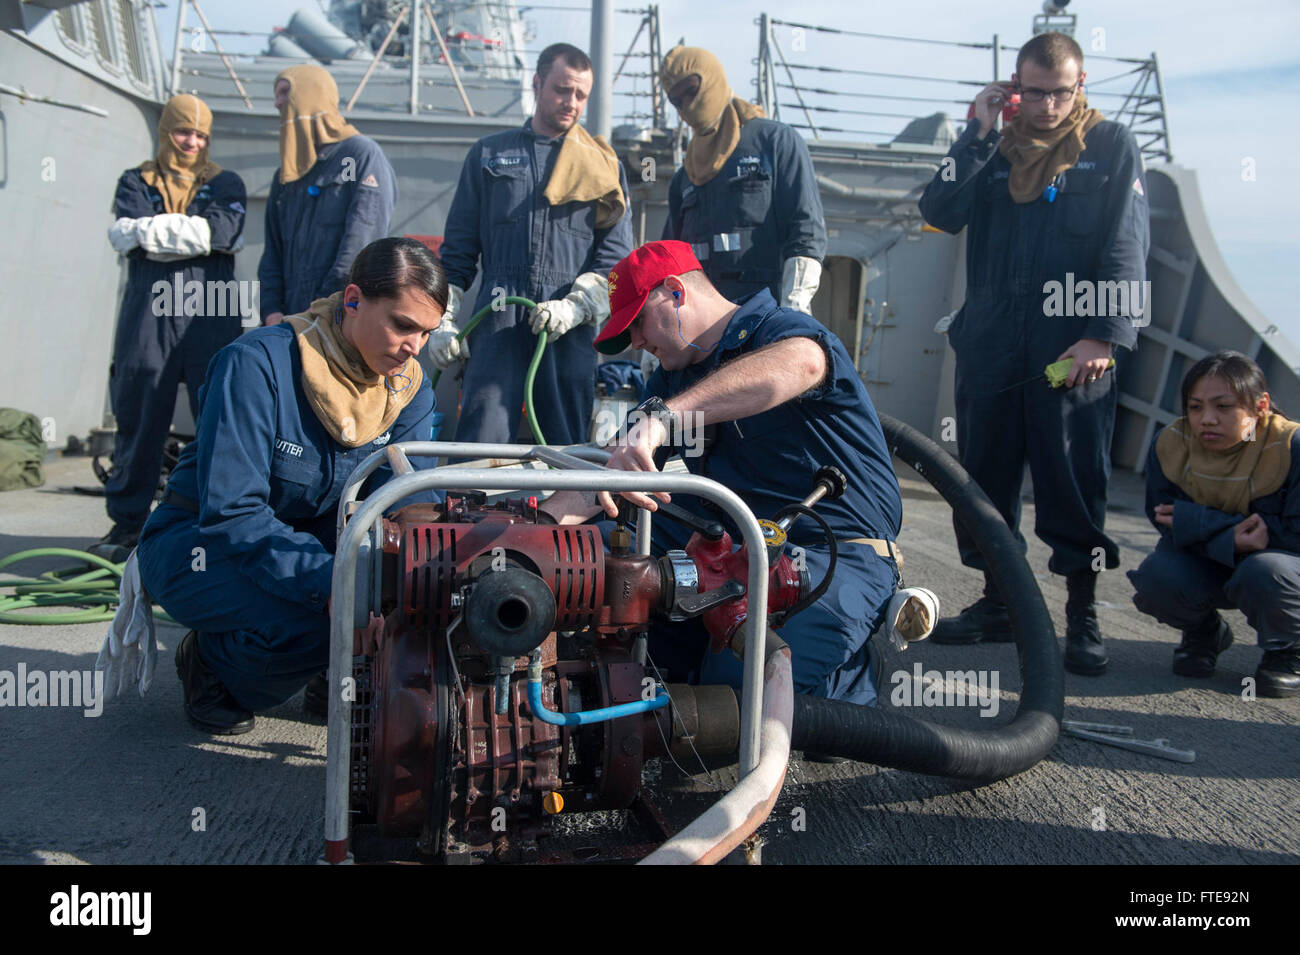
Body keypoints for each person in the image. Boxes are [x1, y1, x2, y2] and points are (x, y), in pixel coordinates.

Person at [548, 241, 903, 706]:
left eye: (637, 323)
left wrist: (664, 418)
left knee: (734, 693)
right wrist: (536, 526)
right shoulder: (673, 379)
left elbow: (803, 362)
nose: (634, 342)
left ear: (675, 292)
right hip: (733, 549)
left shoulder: (779, 332)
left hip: (831, 552)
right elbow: (618, 464)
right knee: (589, 556)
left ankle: (850, 677)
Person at [136, 238, 447, 734]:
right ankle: (213, 666)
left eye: (428, 332)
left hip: (309, 543)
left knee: (401, 590)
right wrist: (333, 584)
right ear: (352, 301)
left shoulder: (407, 387)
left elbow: (411, 498)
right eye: (403, 325)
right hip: (201, 546)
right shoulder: (258, 365)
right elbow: (233, 515)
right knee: (330, 615)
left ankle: (336, 666)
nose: (415, 347)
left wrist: (430, 570)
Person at [918, 32, 1149, 675]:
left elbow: (1127, 246)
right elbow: (938, 207)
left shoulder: (1109, 147)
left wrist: (1103, 334)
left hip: (1070, 348)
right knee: (984, 482)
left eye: (1060, 92)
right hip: (992, 343)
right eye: (1034, 92)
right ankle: (999, 603)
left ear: (1082, 85)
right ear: (1014, 88)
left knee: (1072, 482)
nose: (1048, 106)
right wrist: (976, 131)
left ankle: (1083, 611)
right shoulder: (994, 149)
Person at [431, 43, 633, 446]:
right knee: (480, 439)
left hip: (568, 327)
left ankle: (563, 512)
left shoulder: (603, 167)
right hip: (497, 316)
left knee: (567, 445)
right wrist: (442, 320)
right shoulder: (488, 154)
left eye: (580, 95)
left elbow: (615, 259)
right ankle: (472, 509)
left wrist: (576, 307)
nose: (571, 103)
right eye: (561, 89)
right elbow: (457, 252)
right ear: (537, 83)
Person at [91, 94, 248, 563]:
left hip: (211, 312)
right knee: (138, 417)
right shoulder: (134, 180)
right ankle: (127, 526)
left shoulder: (227, 182)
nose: (191, 142)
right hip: (148, 315)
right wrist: (185, 233)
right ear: (166, 132)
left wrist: (146, 232)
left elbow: (220, 235)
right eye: (183, 132)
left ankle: (213, 525)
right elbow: (125, 233)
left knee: (219, 421)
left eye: (200, 135)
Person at [1128, 352, 1300, 697]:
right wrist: (1229, 537)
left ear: (1260, 405)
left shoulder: (1291, 447)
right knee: (1156, 579)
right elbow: (1163, 517)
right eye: (1195, 407)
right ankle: (1205, 632)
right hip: (1211, 558)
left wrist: (1198, 524)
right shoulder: (1171, 445)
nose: (1207, 419)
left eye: (1224, 407)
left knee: (1267, 572)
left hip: (1277, 564)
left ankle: (1287, 650)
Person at [658, 45, 826, 312]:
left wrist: (793, 312)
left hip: (765, 318)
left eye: (691, 90)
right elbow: (670, 259)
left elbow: (806, 231)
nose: (687, 105)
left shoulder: (776, 142)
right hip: (703, 328)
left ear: (712, 79)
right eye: (676, 101)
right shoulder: (684, 177)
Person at [258, 64, 397, 325]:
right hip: (287, 323)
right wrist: (271, 310)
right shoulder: (286, 174)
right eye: (276, 95)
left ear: (310, 94)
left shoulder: (361, 156)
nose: (277, 103)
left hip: (336, 322)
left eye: (285, 92)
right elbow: (272, 253)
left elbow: (360, 246)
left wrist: (323, 309)